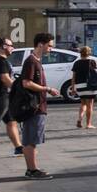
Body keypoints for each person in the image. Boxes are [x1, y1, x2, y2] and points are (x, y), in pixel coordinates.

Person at [17, 33, 60, 180]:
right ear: (41, 44)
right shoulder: (31, 61)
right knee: (30, 140)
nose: (51, 49)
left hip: (37, 105)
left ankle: (33, 168)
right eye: (50, 45)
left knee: (33, 139)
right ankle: (32, 170)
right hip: (33, 107)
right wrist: (47, 89)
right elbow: (26, 83)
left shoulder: (36, 60)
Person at [71, 46, 97, 129]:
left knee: (83, 103)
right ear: (89, 53)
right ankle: (88, 124)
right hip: (90, 86)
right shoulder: (92, 62)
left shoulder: (76, 63)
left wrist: (73, 87)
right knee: (90, 105)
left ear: (80, 53)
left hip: (79, 86)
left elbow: (73, 76)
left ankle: (80, 118)